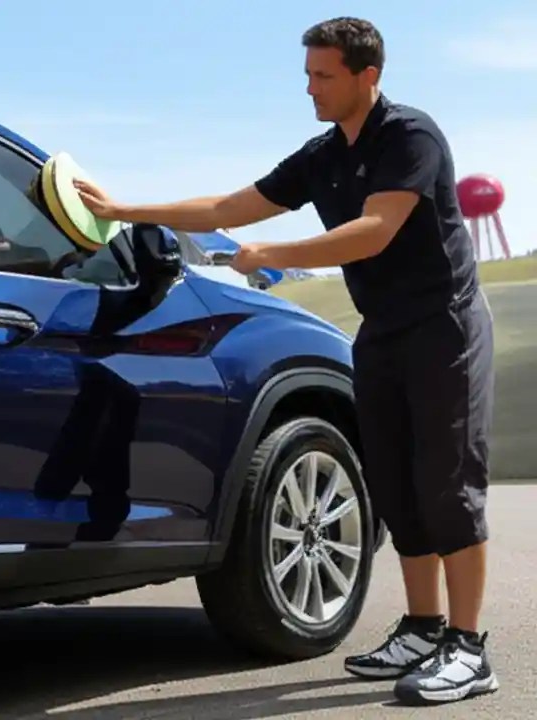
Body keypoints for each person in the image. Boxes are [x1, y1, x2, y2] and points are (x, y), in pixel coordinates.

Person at [72, 16, 497, 707]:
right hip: (384, 331)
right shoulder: (322, 154)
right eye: (307, 75)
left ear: (368, 76)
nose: (311, 89)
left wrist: (272, 255)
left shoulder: (410, 137)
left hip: (443, 328)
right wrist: (123, 207)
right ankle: (423, 629)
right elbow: (225, 206)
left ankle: (470, 649)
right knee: (395, 486)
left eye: (324, 76)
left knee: (447, 486)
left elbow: (373, 232)